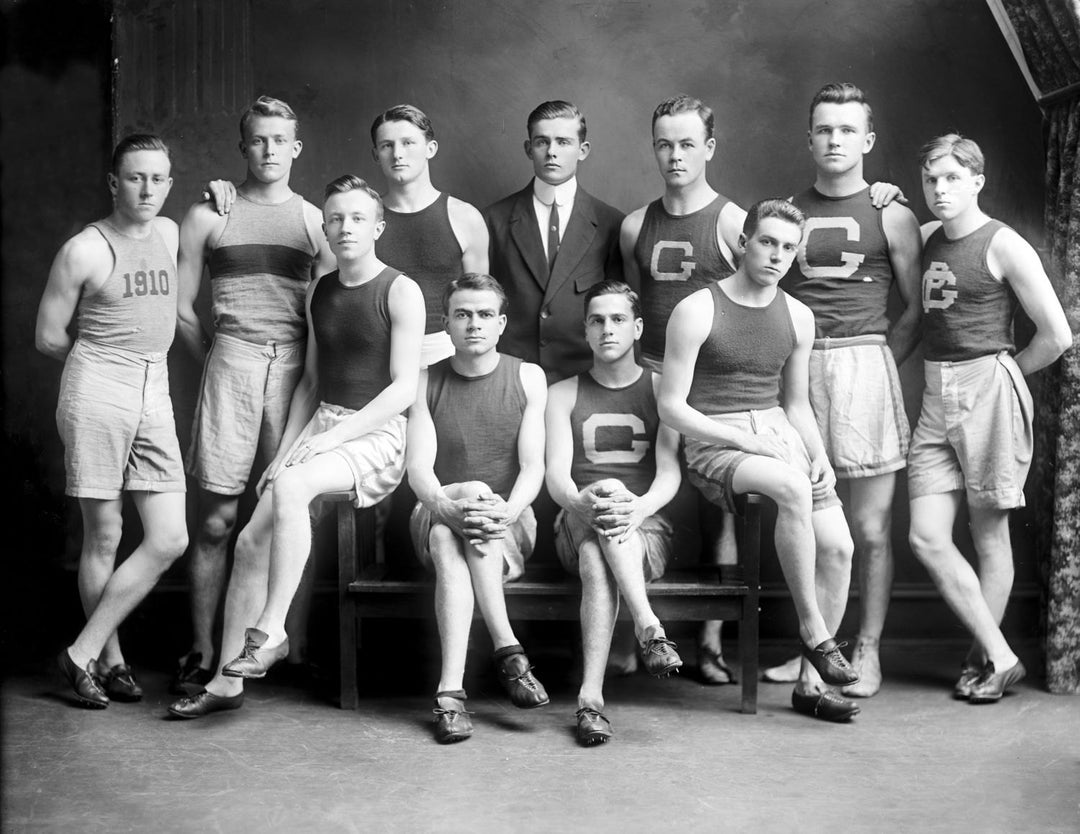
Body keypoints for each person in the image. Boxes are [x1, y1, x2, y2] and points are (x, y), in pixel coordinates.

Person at [168, 175, 425, 718]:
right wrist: (288, 450)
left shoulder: (400, 289)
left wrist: (330, 440)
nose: (345, 227)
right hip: (323, 426)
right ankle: (225, 682)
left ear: (378, 226)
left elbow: (404, 388)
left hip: (375, 433)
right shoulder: (320, 291)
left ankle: (274, 629)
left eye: (358, 218)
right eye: (336, 218)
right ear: (323, 227)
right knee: (247, 541)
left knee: (292, 485)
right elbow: (309, 384)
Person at [658, 198, 862, 722]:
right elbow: (672, 407)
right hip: (716, 440)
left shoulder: (798, 315)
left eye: (788, 247)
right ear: (743, 241)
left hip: (779, 432)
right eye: (767, 242)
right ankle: (815, 633)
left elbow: (796, 403)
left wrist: (819, 454)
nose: (776, 255)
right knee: (790, 489)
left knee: (839, 547)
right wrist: (744, 442)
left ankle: (811, 685)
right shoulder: (698, 308)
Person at [764, 83, 922, 696]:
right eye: (824, 129)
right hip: (798, 374)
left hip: (864, 365)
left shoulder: (892, 212)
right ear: (809, 138)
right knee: (803, 514)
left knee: (871, 526)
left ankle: (869, 649)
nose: (835, 140)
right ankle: (814, 650)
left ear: (868, 140)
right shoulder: (785, 212)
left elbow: (914, 308)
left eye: (847, 130)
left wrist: (879, 362)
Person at [172, 96, 333, 695]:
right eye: (257, 140)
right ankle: (202, 647)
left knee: (295, 512)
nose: (269, 151)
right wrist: (220, 363)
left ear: (296, 147)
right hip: (232, 360)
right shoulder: (209, 214)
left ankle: (294, 647)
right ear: (243, 148)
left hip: (294, 366)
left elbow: (326, 318)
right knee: (215, 518)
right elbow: (184, 310)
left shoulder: (316, 221)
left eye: (280, 140)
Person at [908, 134, 1071, 704]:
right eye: (931, 179)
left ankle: (983, 660)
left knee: (988, 533)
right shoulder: (926, 237)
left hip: (988, 386)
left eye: (953, 178)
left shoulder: (1004, 245)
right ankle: (1001, 655)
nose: (940, 190)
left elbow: (1057, 336)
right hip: (934, 393)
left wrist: (1005, 379)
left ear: (978, 180)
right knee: (926, 535)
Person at [36, 134, 188, 708]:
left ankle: (80, 652)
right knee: (106, 534)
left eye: (158, 179)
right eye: (135, 178)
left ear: (169, 183)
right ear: (113, 182)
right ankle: (112, 660)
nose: (147, 190)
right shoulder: (86, 249)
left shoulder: (172, 233)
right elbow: (49, 336)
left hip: (157, 387)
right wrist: (101, 366)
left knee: (169, 536)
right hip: (99, 382)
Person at [618, 95, 744, 682]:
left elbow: (755, 305)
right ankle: (630, 635)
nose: (674, 155)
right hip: (647, 380)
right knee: (632, 498)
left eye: (687, 143)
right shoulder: (636, 225)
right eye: (664, 143)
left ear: (709, 148)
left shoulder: (732, 221)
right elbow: (631, 308)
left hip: (711, 388)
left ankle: (712, 643)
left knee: (721, 512)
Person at [406, 273, 549, 744]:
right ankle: (508, 650)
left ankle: (449, 696)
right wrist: (453, 503)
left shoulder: (527, 376)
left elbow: (532, 469)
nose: (474, 324)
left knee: (453, 540)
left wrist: (505, 511)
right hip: (435, 511)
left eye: (485, 314)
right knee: (461, 498)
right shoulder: (426, 380)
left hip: (508, 520)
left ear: (501, 322)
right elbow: (421, 474)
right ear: (445, 323)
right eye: (463, 314)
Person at [546, 280, 683, 746]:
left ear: (638, 327)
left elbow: (669, 474)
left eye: (618, 319)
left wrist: (638, 508)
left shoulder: (663, 389)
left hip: (646, 530)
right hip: (576, 518)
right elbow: (557, 478)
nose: (608, 329)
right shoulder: (563, 393)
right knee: (604, 493)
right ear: (585, 330)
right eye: (597, 320)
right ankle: (650, 628)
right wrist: (584, 501)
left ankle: (590, 700)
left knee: (594, 557)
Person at [485, 100, 624, 383]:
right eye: (542, 142)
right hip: (512, 375)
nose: (552, 152)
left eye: (563, 142)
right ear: (528, 149)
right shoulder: (494, 220)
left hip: (584, 378)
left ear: (582, 150)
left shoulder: (610, 223)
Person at [370, 104, 490, 367]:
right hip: (379, 351)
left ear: (430, 148)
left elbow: (481, 302)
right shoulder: (364, 219)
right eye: (387, 145)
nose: (398, 154)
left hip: (448, 351)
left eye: (408, 143)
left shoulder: (465, 217)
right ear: (376, 155)